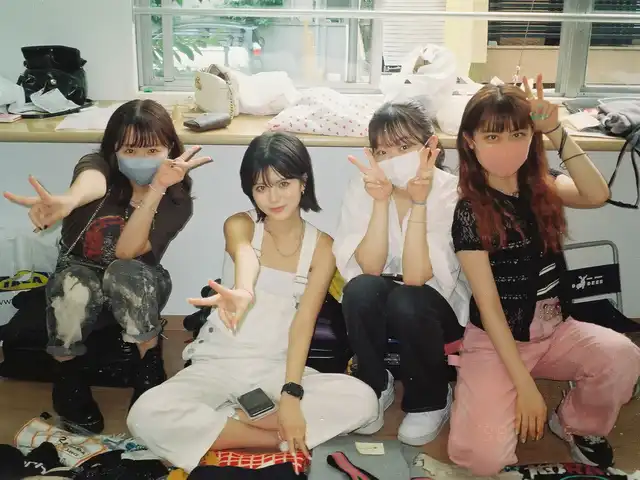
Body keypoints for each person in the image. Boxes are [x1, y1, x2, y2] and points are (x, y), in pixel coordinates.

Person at [126, 132, 378, 473]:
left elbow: (304, 323)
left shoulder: (322, 246)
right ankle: (277, 438)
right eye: (261, 187)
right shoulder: (240, 224)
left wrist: (291, 394)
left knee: (364, 402)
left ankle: (227, 424)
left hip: (276, 369)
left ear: (303, 181)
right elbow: (246, 256)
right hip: (217, 363)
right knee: (144, 415)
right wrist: (244, 290)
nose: (273, 197)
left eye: (283, 183)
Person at [447, 75, 640, 474]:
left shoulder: (542, 185)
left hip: (555, 332)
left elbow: (596, 194)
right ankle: (473, 392)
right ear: (470, 141)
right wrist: (524, 385)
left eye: (518, 134)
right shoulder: (469, 211)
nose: (507, 147)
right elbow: (490, 308)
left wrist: (556, 130)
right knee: (482, 459)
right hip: (497, 341)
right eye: (493, 136)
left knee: (623, 356)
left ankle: (575, 424)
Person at [3, 99, 211, 434]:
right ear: (114, 150)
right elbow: (91, 182)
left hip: (138, 280)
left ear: (170, 149)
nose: (141, 159)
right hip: (80, 271)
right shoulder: (98, 166)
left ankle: (149, 366)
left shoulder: (175, 199)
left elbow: (127, 252)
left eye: (152, 150)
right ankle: (67, 377)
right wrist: (68, 202)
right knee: (73, 286)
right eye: (130, 149)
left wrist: (156, 188)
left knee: (122, 270)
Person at [333, 100, 471, 446]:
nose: (393, 159)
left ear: (431, 146)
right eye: (383, 151)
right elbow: (369, 269)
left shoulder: (451, 192)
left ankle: (431, 397)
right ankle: (375, 384)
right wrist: (381, 202)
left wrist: (418, 201)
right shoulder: (364, 187)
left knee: (408, 300)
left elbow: (416, 275)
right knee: (360, 290)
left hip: (434, 307)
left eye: (404, 147)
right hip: (386, 294)